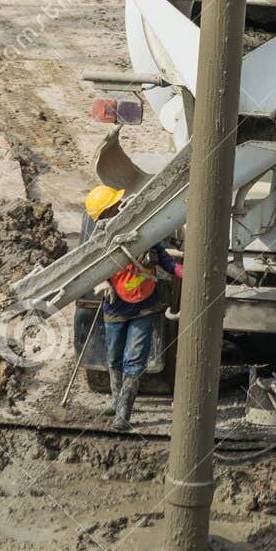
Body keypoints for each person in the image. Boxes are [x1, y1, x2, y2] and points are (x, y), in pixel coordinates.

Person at [83, 185, 182, 432]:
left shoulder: (141, 231)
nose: (120, 207)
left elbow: (164, 257)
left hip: (145, 306)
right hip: (115, 307)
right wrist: (101, 281)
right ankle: (116, 400)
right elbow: (89, 268)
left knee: (134, 359)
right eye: (114, 206)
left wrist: (181, 271)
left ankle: (124, 413)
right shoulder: (100, 242)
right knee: (114, 357)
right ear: (106, 214)